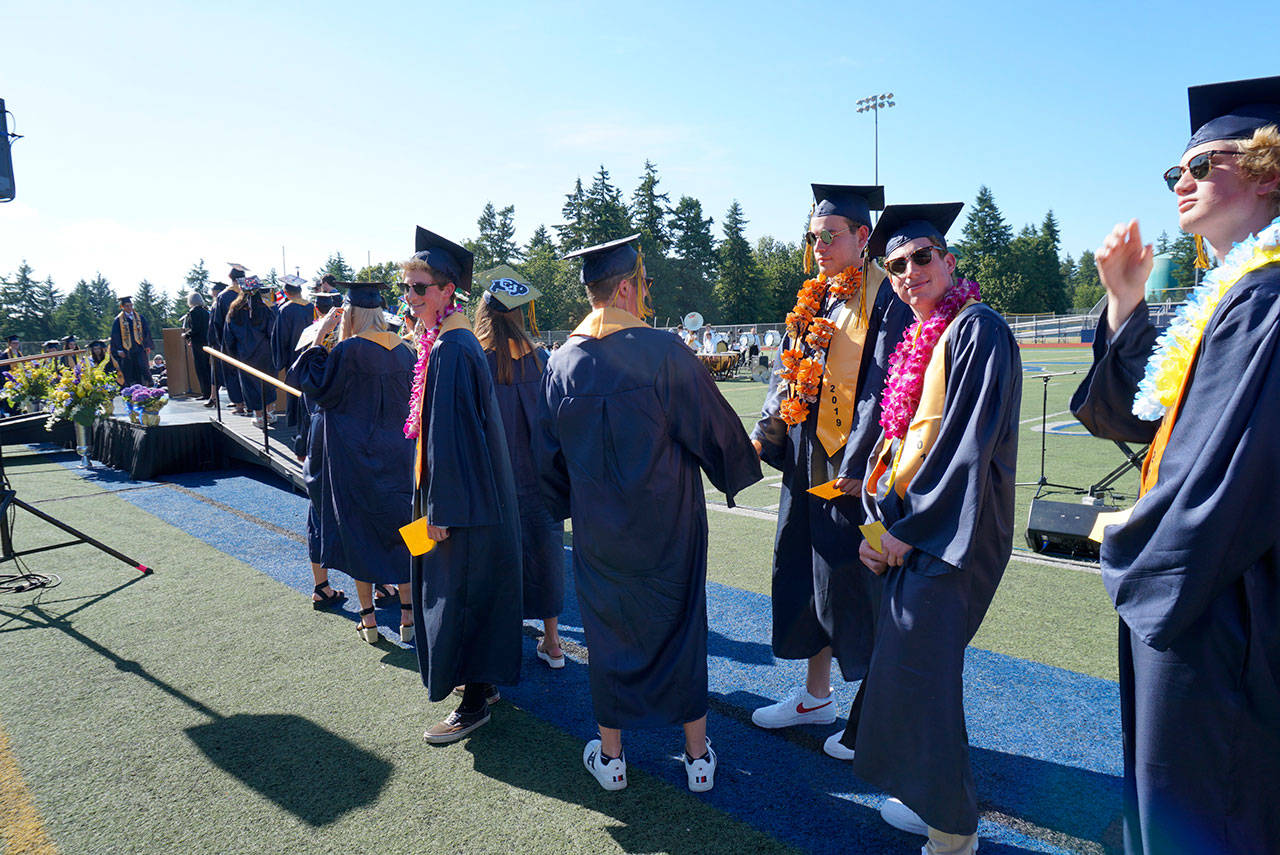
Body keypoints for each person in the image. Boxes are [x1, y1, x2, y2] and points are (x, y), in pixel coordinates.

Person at [1069, 76, 1280, 855]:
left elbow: (1224, 480)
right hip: (1202, 596)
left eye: (1204, 163)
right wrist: (1125, 303)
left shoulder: (1268, 302)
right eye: (1173, 173)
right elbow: (1139, 419)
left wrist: (1130, 539)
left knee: (1210, 811)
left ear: (1270, 167)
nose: (1181, 180)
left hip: (1225, 609)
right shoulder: (1233, 294)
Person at [537, 234, 761, 793]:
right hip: (670, 526)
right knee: (681, 625)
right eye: (643, 285)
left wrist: (568, 505)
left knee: (608, 632)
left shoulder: (560, 363)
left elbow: (547, 459)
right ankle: (697, 755)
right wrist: (739, 464)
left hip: (599, 532)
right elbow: (713, 429)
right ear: (626, 287)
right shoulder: (663, 352)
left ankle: (611, 758)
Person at [845, 203, 1020, 855]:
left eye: (922, 257)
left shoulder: (978, 330)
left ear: (949, 261)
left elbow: (966, 447)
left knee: (921, 670)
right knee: (913, 670)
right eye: (895, 265)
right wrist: (878, 526)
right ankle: (932, 801)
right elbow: (902, 444)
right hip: (916, 532)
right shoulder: (923, 339)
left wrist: (909, 530)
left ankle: (953, 833)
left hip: (954, 535)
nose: (909, 271)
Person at [749, 184, 912, 759]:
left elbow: (890, 387)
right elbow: (784, 374)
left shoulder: (888, 297)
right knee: (803, 570)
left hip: (855, 468)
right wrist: (766, 431)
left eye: (830, 235)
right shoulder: (814, 297)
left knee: (857, 583)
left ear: (862, 238)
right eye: (813, 236)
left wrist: (862, 461)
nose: (818, 245)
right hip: (805, 461)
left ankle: (872, 715)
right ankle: (816, 696)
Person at [402, 226, 523, 744]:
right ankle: (483, 684)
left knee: (462, 594)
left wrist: (442, 511)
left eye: (419, 287)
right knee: (467, 590)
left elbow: (452, 439)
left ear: (448, 291)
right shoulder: (448, 342)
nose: (410, 298)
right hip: (467, 494)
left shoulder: (452, 349)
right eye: (405, 287)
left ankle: (473, 703)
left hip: (460, 502)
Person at [293, 283, 416, 639]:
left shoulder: (347, 351)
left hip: (355, 458)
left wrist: (320, 338)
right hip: (400, 455)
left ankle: (370, 620)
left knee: (359, 533)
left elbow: (314, 385)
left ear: (350, 313)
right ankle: (408, 618)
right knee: (404, 531)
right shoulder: (406, 352)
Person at [473, 276, 566, 669]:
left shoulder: (475, 358)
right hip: (539, 478)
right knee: (545, 555)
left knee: (497, 559)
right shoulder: (542, 358)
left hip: (493, 479)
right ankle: (553, 642)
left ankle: (502, 644)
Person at [223, 276, 277, 427]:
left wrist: (233, 355)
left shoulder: (233, 310)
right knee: (268, 382)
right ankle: (270, 413)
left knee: (250, 386)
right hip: (265, 353)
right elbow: (272, 331)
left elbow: (229, 337)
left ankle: (259, 417)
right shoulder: (266, 308)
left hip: (244, 355)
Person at [272, 275, 313, 433]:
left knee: (294, 388)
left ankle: (296, 424)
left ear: (286, 292)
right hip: (311, 355)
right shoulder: (311, 307)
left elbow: (280, 338)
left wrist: (280, 360)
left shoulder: (285, 309)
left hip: (293, 357)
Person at [210, 269, 247, 414]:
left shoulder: (224, 296)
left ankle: (239, 404)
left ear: (229, 277)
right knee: (249, 373)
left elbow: (217, 322)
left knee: (232, 372)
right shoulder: (250, 293)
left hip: (230, 340)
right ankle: (252, 405)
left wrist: (221, 343)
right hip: (251, 342)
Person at [109, 296, 153, 387]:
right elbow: (115, 336)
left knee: (142, 366)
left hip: (139, 347)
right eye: (127, 306)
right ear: (122, 307)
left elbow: (146, 331)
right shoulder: (118, 320)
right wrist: (119, 350)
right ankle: (130, 389)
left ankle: (148, 384)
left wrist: (147, 345)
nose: (129, 308)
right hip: (126, 349)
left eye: (131, 305)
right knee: (129, 370)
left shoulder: (139, 318)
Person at [182, 292, 211, 399]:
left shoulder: (194, 312)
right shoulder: (205, 312)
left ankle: (205, 393)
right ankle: (209, 392)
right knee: (207, 368)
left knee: (200, 368)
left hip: (198, 343)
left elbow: (196, 329)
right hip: (206, 342)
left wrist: (186, 335)